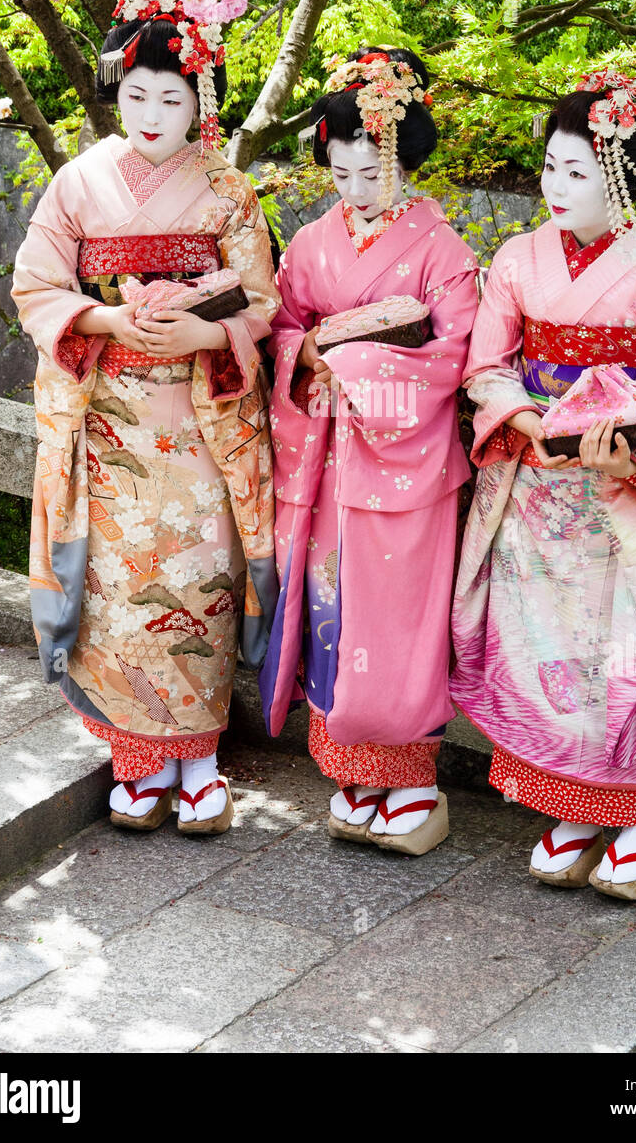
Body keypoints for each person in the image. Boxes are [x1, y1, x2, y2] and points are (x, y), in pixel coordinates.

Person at [450, 70, 636, 899]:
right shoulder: (516, 259)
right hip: (536, 495)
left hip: (619, 498)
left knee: (635, 651)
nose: (554, 187)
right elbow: (487, 366)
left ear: (624, 179)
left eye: (578, 171)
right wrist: (524, 416)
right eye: (550, 166)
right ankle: (575, 808)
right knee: (546, 650)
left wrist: (626, 454)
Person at [12, 0, 279, 834]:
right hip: (107, 418)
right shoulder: (79, 182)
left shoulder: (230, 191)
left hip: (200, 426)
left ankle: (199, 761)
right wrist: (109, 319)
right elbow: (35, 287)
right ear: (115, 96)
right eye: (136, 95)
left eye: (172, 96)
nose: (153, 111)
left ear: (202, 102)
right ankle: (136, 759)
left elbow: (265, 305)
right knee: (119, 589)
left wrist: (202, 336)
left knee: (199, 582)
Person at [259, 47, 479, 855]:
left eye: (371, 174)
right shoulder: (312, 243)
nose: (354, 190)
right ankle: (352, 771)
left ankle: (414, 782)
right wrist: (305, 352)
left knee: (396, 621)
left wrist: (351, 358)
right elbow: (282, 328)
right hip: (325, 457)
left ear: (408, 163)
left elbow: (456, 357)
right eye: (342, 174)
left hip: (404, 461)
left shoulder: (444, 252)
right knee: (331, 606)